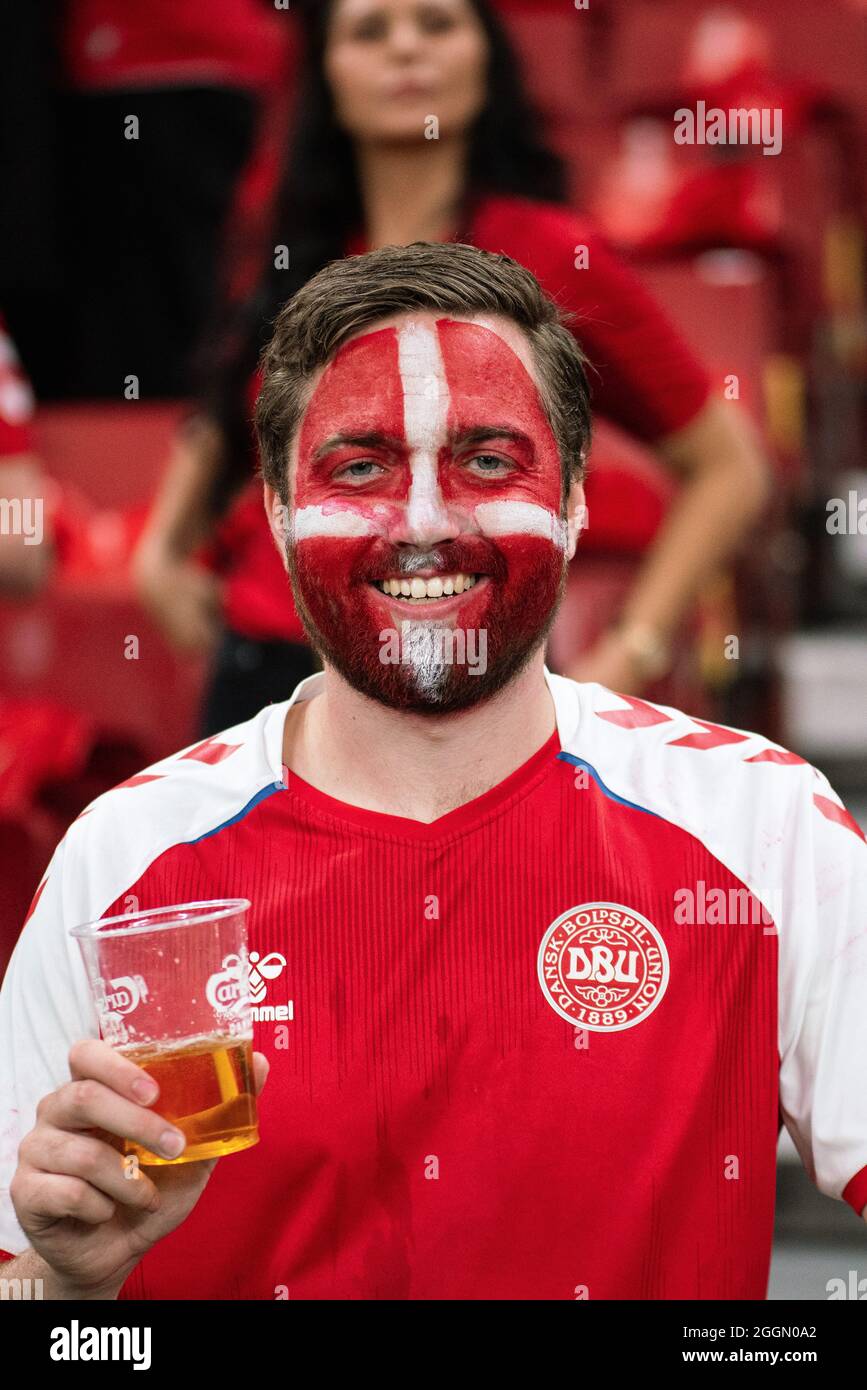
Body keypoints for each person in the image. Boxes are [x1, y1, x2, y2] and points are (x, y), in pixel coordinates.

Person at [1, 243, 864, 1301]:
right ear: (275, 511)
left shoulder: (763, 828)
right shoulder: (123, 862)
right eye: (359, 466)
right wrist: (63, 1286)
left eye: (489, 461)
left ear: (578, 499)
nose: (422, 524)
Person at [133, 0, 770, 736]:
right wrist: (161, 552)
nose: (406, 49)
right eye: (370, 31)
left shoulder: (553, 252)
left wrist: (628, 651)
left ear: (484, 59)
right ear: (326, 75)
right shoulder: (293, 252)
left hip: (478, 671)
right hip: (274, 675)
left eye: (436, 24)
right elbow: (228, 413)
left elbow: (731, 467)